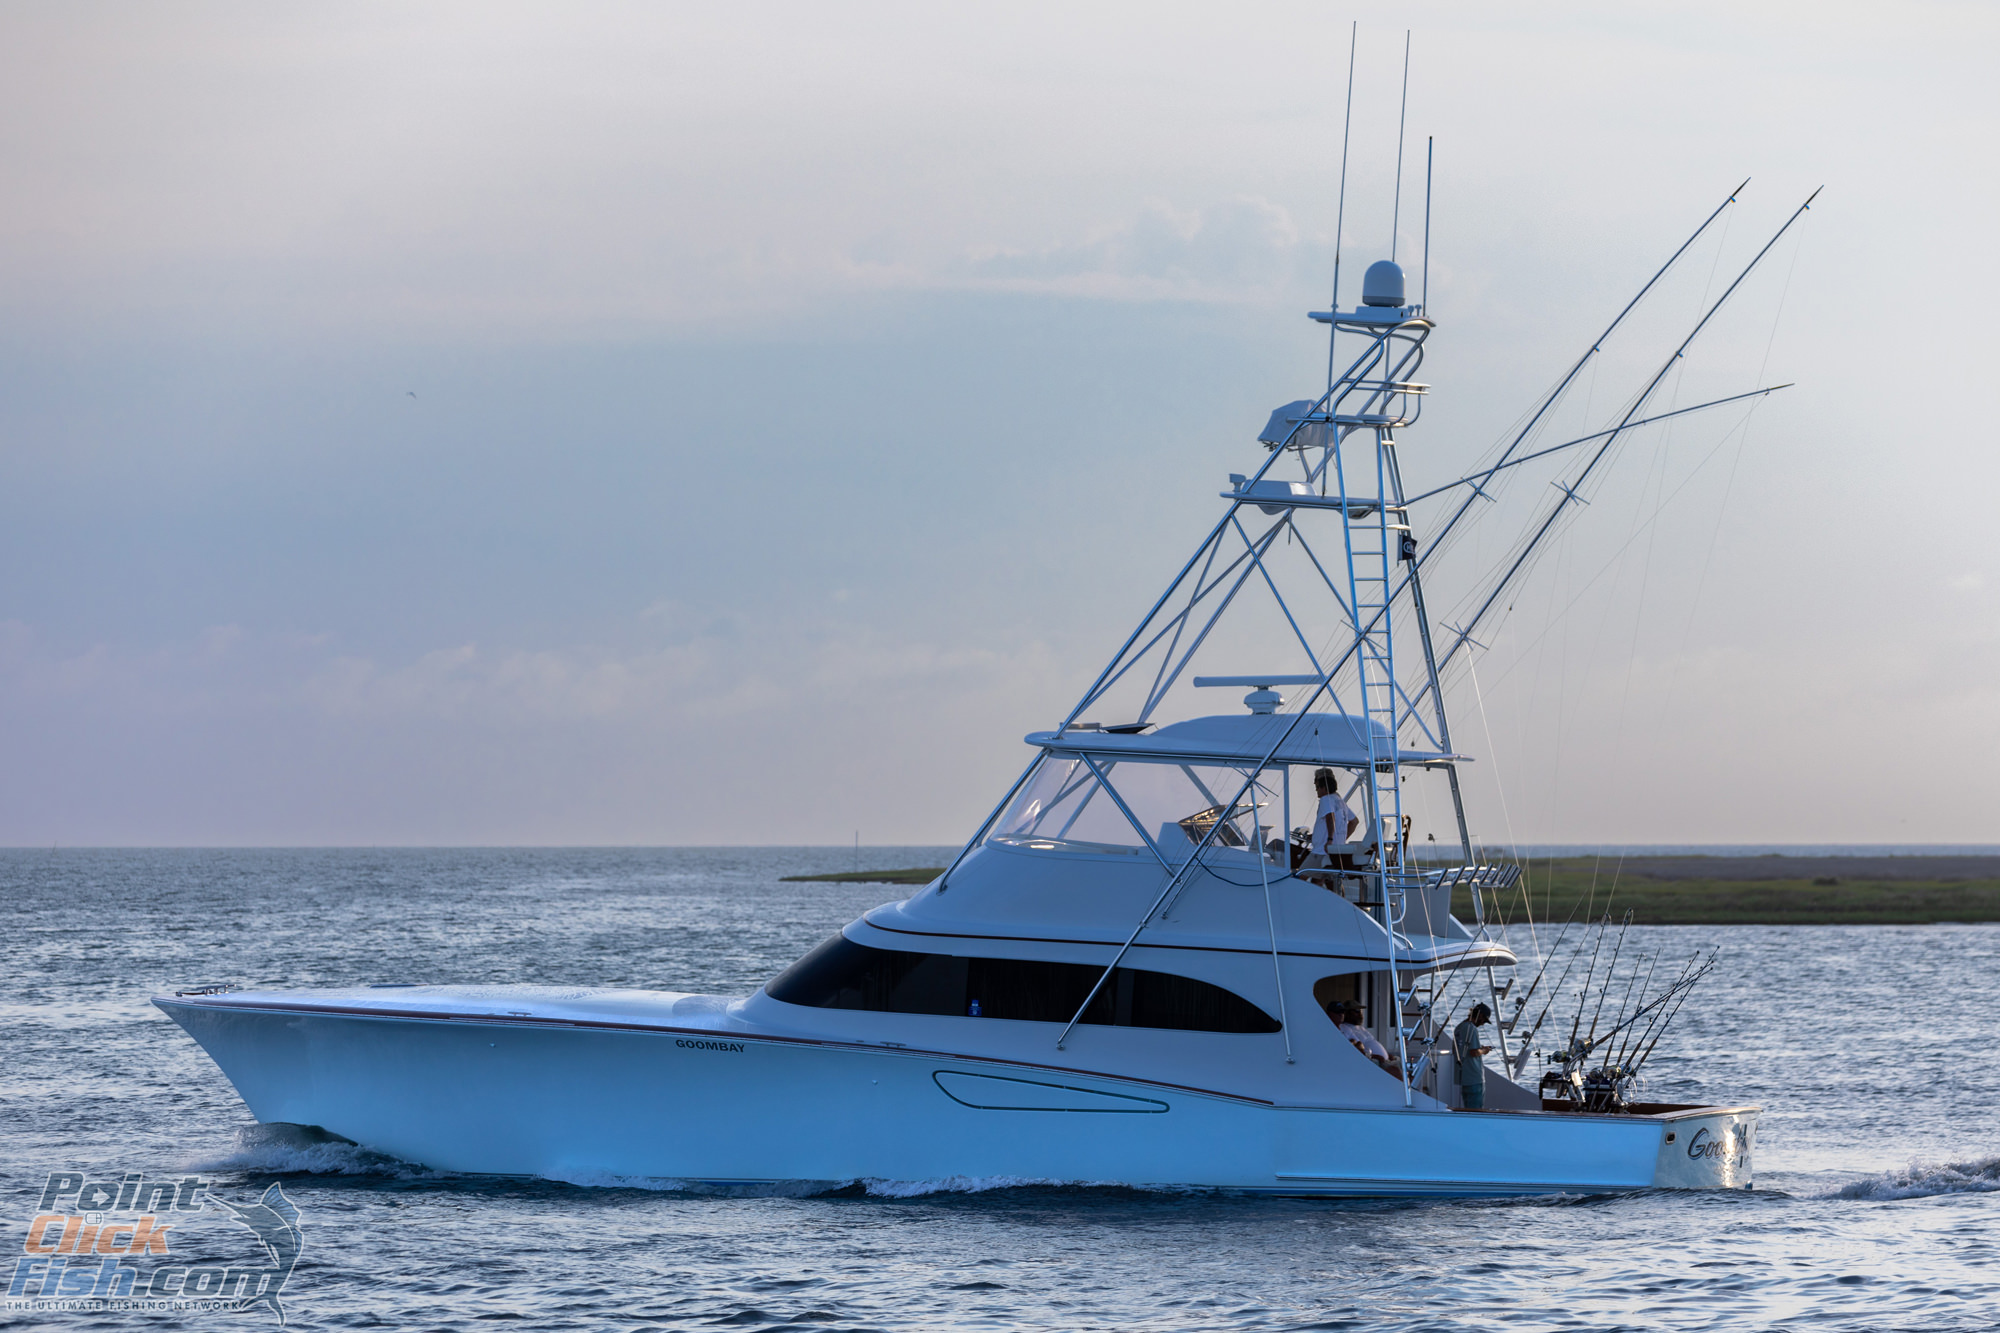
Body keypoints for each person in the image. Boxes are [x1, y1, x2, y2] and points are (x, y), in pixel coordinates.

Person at [1304, 768, 1360, 870]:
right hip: (1334, 852)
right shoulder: (1339, 800)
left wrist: (1330, 840)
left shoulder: (1326, 799)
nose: (1316, 789)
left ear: (1324, 786)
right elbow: (1354, 822)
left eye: (1317, 786)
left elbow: (1330, 818)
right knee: (1319, 881)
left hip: (1321, 851)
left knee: (1301, 876)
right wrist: (1338, 840)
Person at [1453, 1003, 1494, 1110]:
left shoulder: (1459, 1027)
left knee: (1468, 1110)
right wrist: (1485, 1050)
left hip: (1463, 1078)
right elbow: (1474, 1052)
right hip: (1474, 1079)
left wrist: (1480, 1048)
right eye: (1484, 1020)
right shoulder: (1471, 1028)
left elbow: (1463, 1049)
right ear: (1480, 1016)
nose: (1483, 1023)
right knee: (1476, 1111)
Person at [1337, 1004, 1395, 1072]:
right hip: (1375, 1062)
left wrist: (1386, 1054)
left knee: (1401, 1063)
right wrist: (1376, 1056)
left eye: (1361, 1011)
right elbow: (1356, 1050)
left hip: (1386, 1060)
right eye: (1357, 1011)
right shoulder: (1346, 1028)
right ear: (1348, 1013)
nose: (1361, 1014)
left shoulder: (1361, 1028)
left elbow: (1372, 1042)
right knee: (1397, 1071)